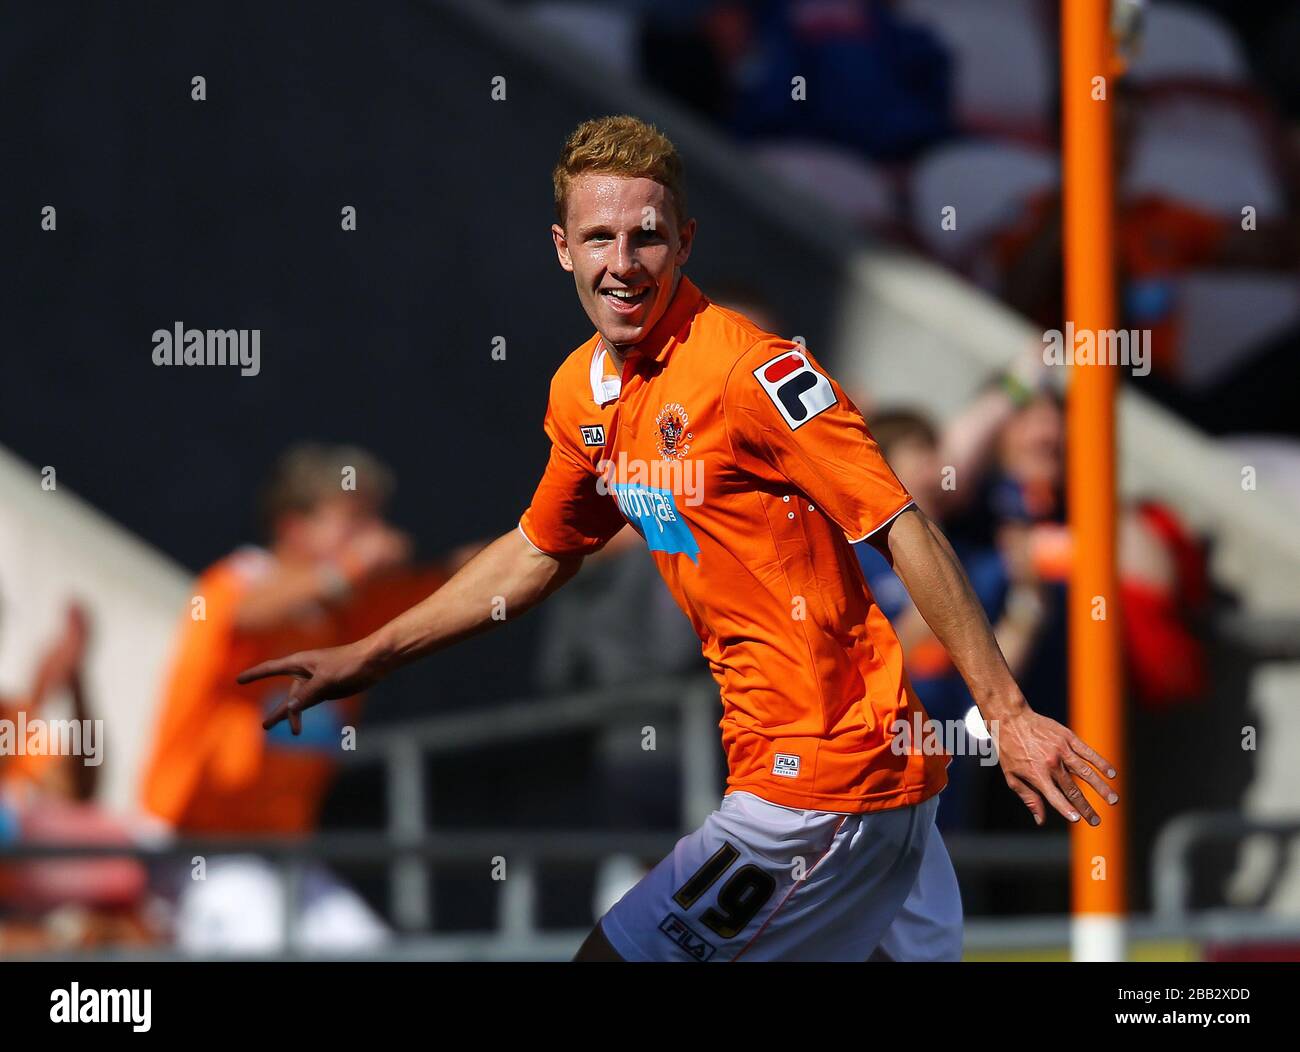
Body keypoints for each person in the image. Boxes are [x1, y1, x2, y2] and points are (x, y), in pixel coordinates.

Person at [238, 116, 1119, 962]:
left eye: (646, 238)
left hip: (821, 780)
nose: (623, 265)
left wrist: (1006, 714)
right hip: (844, 780)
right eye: (599, 239)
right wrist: (373, 653)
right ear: (561, 249)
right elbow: (543, 547)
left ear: (685, 243)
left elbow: (902, 524)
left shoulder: (754, 373)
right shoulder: (581, 396)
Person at [139, 443, 474, 953]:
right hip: (198, 855)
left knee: (381, 952)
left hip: (287, 858)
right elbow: (247, 612)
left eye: (373, 520)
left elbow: (458, 581)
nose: (372, 534)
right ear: (295, 527)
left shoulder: (348, 609)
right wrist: (349, 566)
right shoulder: (238, 581)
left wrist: (569, 537)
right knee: (271, 944)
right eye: (352, 520)